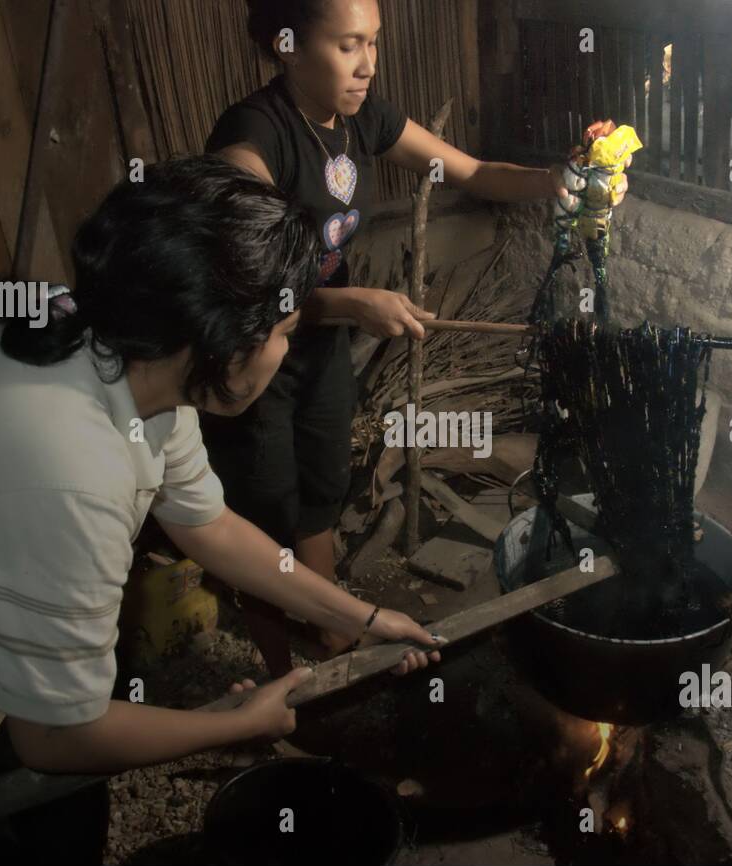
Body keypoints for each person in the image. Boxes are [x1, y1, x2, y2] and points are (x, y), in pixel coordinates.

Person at [0, 156, 439, 862]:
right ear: (224, 344)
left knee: (66, 826)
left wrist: (363, 619)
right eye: (282, 331)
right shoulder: (68, 467)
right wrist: (235, 722)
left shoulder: (133, 358)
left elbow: (209, 526)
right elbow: (57, 735)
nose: (285, 348)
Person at [204, 0, 631, 674]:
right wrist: (353, 303)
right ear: (287, 44)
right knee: (262, 511)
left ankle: (332, 634)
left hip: (318, 347)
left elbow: (471, 172)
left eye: (373, 43)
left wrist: (556, 181)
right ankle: (281, 683)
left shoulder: (358, 118)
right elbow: (242, 289)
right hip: (255, 357)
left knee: (320, 488)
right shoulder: (251, 143)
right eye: (348, 45)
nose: (369, 65)